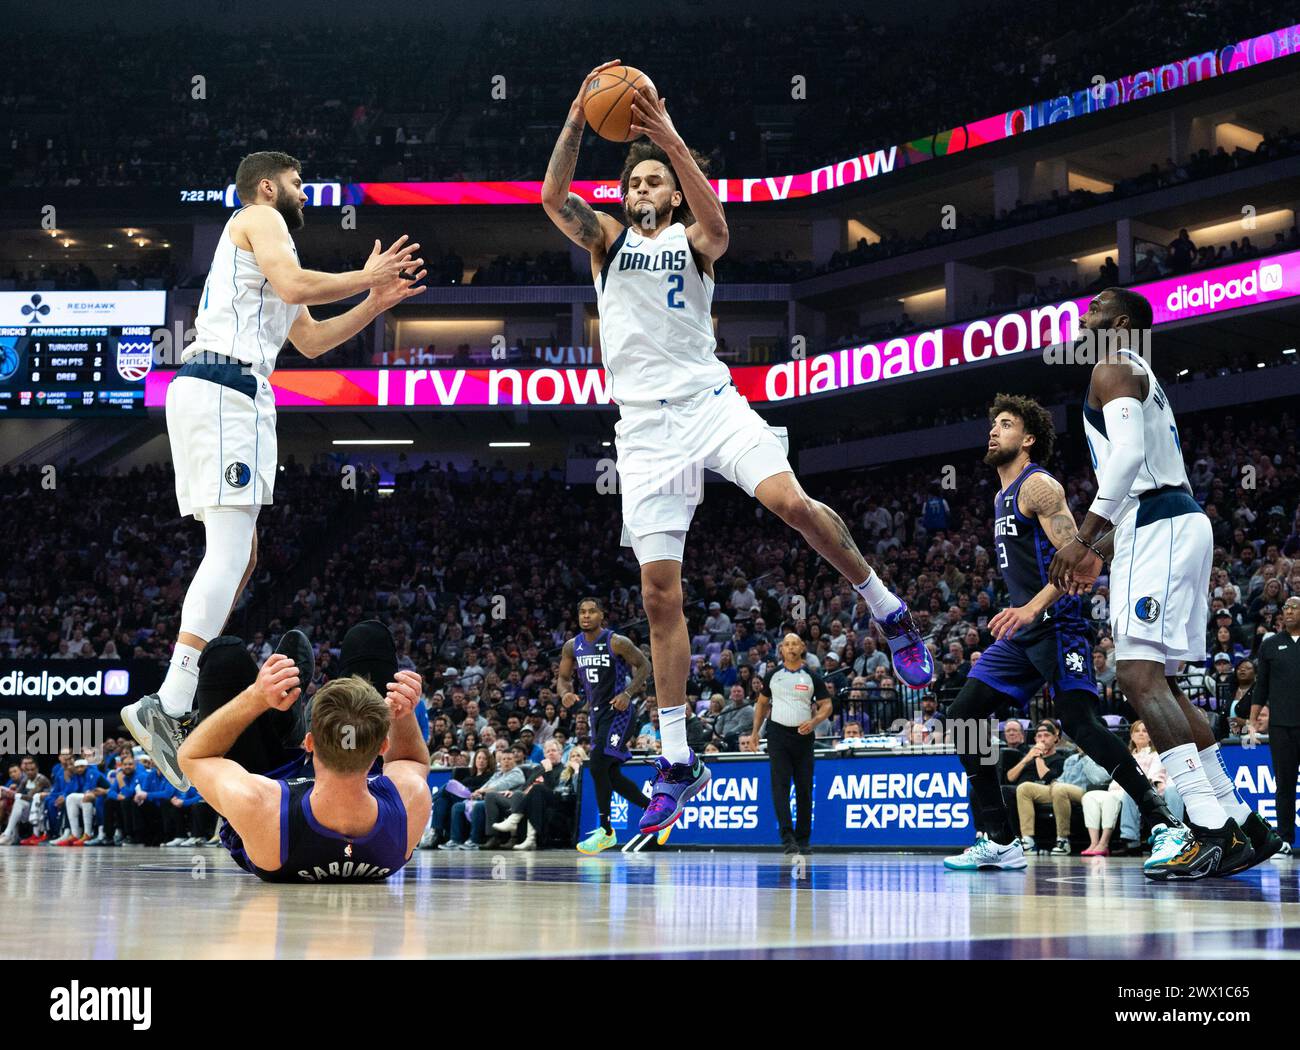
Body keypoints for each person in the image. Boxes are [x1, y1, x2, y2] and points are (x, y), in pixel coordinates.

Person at [541, 62, 933, 840]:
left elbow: (720, 226)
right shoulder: (606, 242)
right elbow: (554, 199)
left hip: (711, 404)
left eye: (656, 179)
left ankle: (887, 610)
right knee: (658, 594)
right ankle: (680, 761)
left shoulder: (695, 236)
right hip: (644, 429)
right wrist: (581, 118)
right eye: (637, 180)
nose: (645, 188)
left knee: (789, 502)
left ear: (675, 191)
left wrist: (669, 139)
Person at [122, 151, 426, 791]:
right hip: (227, 388)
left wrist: (373, 300)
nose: (303, 195)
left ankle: (173, 698)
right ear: (268, 186)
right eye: (296, 184)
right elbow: (295, 286)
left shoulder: (268, 252)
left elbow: (310, 340)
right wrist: (363, 271)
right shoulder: (261, 217)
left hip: (232, 393)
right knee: (231, 554)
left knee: (244, 554)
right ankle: (170, 703)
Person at [1049, 287, 1278, 879]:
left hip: (1160, 522)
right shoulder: (1134, 370)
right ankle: (1240, 823)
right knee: (1165, 684)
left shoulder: (1113, 364)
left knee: (1136, 675)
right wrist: (1102, 545)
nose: (1081, 318)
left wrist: (1083, 534)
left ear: (1120, 323)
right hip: (1166, 522)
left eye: (1093, 311)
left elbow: (1126, 461)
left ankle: (1206, 830)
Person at [945, 394, 1178, 872]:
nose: (994, 431)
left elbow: (1080, 562)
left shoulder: (1039, 488)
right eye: (993, 424)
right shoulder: (999, 495)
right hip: (1024, 629)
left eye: (1005, 425)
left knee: (1080, 722)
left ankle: (1161, 820)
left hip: (1058, 622)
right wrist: (1024, 612)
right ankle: (999, 838)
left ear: (1028, 439)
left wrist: (1031, 608)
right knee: (963, 715)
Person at [177, 621, 431, 882]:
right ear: (383, 747)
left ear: (309, 743)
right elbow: (409, 760)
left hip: (271, 786)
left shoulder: (259, 804)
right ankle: (283, 718)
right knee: (369, 636)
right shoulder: (407, 804)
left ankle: (281, 719)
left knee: (224, 655)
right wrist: (404, 713)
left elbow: (192, 755)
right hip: (308, 796)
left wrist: (256, 696)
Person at [555, 597, 655, 854]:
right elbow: (563, 679)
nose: (586, 616)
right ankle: (653, 811)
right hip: (596, 716)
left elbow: (645, 665)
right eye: (582, 612)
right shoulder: (571, 647)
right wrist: (565, 693)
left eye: (592, 611)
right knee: (608, 774)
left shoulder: (616, 641)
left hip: (619, 712)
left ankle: (606, 831)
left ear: (602, 615)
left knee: (597, 764)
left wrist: (629, 693)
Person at [746, 633, 830, 855]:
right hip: (777, 735)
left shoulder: (812, 676)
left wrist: (814, 722)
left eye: (795, 644)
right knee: (780, 787)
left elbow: (827, 705)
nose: (791, 648)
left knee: (804, 788)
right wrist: (755, 732)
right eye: (787, 645)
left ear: (802, 648)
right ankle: (787, 838)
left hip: (803, 737)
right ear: (781, 649)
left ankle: (803, 840)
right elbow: (762, 704)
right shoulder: (773, 675)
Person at [1252, 596, 1300, 854]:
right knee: (1284, 784)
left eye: (1294, 607)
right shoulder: (1270, 645)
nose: (1288, 611)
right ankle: (1284, 839)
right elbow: (1261, 688)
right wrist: (1251, 723)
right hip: (1281, 726)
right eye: (1286, 607)